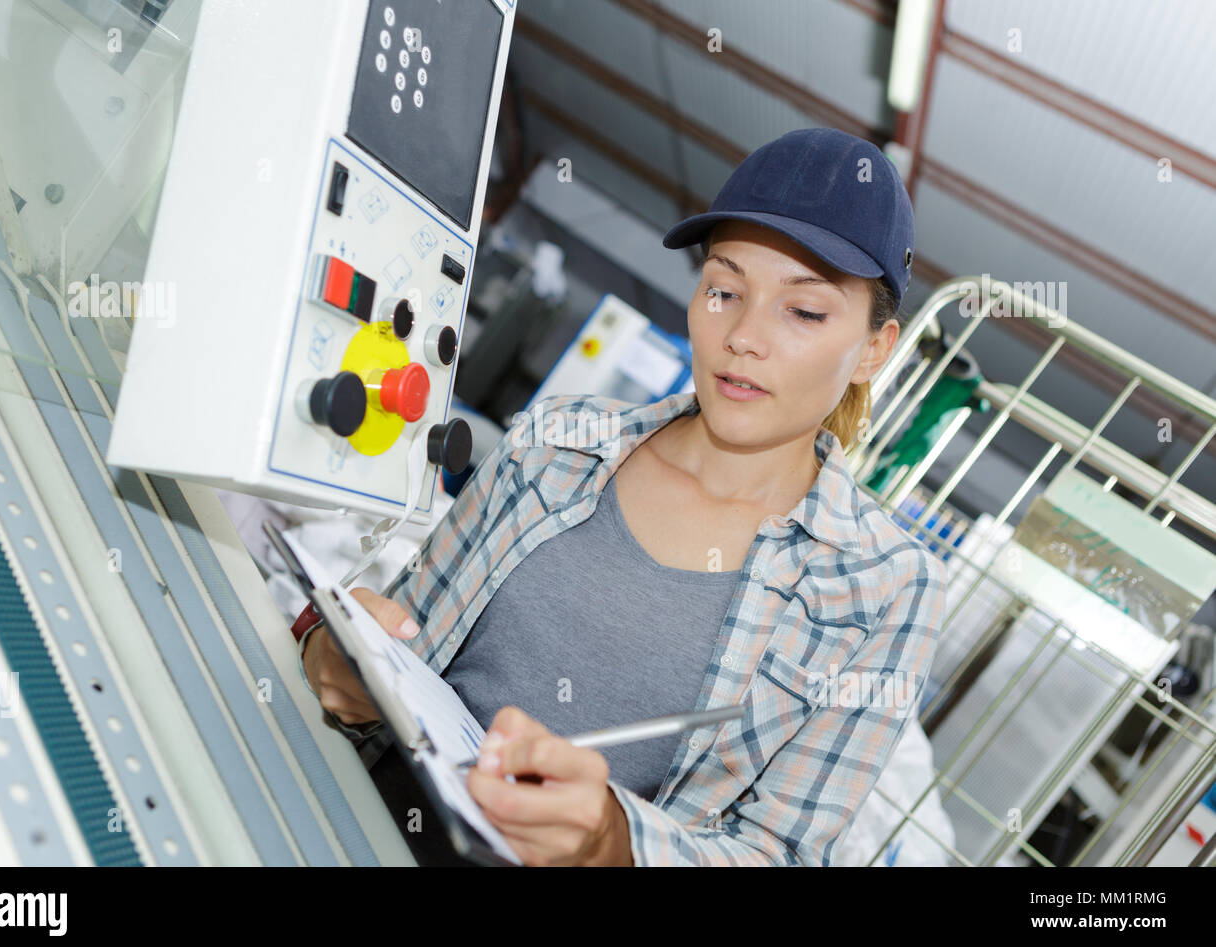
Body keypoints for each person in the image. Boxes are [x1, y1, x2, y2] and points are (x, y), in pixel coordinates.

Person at [297, 127, 948, 866]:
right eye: (725, 290)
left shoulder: (883, 586)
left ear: (872, 349)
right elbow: (401, 638)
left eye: (803, 311)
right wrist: (333, 653)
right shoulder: (559, 441)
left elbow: (779, 854)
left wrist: (610, 840)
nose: (742, 336)